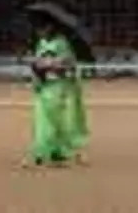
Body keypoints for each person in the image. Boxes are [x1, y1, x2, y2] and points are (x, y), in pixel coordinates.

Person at [27, 14, 90, 168]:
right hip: (44, 86)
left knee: (58, 120)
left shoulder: (62, 43)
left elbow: (70, 63)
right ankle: (42, 151)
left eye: (41, 28)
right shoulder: (41, 43)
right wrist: (36, 67)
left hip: (60, 86)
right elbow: (37, 61)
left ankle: (58, 152)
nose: (39, 32)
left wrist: (51, 64)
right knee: (42, 120)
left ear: (50, 27)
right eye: (37, 29)